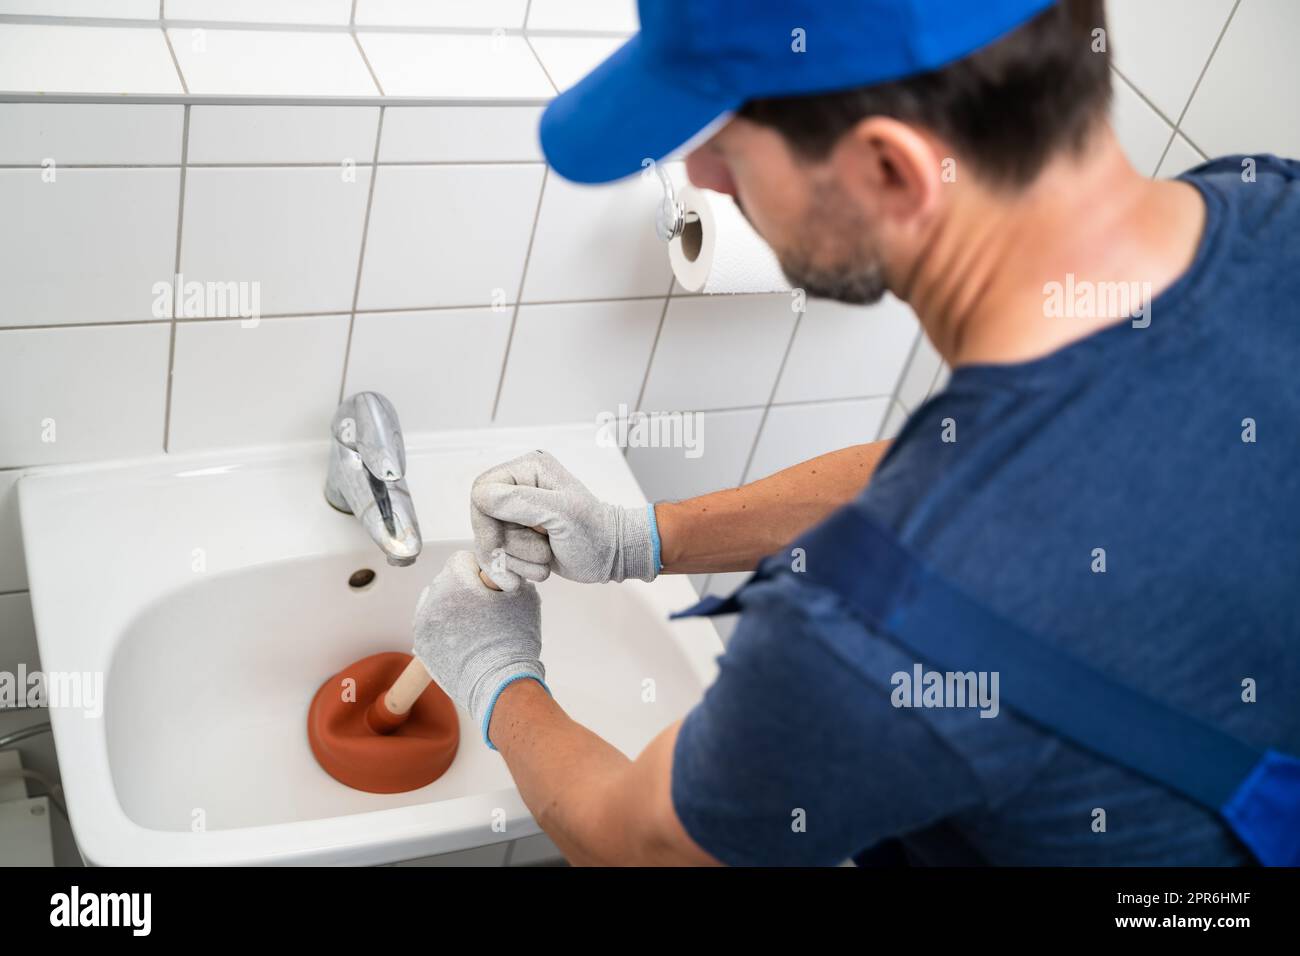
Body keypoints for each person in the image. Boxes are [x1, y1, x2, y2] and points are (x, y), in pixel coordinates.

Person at [411, 0, 1300, 865]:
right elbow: (967, 480)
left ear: (891, 171)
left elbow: (638, 842)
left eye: (725, 143)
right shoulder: (1266, 210)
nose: (701, 179)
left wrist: (497, 677)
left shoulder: (868, 640)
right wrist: (645, 537)